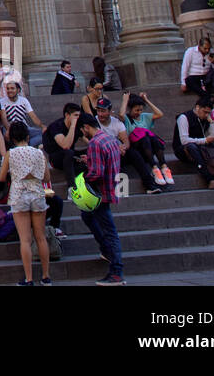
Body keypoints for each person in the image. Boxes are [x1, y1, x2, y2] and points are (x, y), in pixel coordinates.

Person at [0, 121, 53, 285]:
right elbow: (47, 178)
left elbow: (2, 177)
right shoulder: (38, 153)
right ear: (28, 136)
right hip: (37, 193)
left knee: (25, 239)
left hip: (19, 195)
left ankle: (29, 279)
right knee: (40, 237)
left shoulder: (11, 154)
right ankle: (45, 276)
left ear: (12, 138)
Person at [77, 112, 126, 284]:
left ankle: (116, 271)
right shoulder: (109, 138)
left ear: (86, 127)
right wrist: (90, 160)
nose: (83, 133)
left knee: (109, 231)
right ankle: (106, 250)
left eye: (83, 130)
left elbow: (96, 173)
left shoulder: (94, 143)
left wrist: (82, 180)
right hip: (110, 188)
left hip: (100, 194)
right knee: (87, 216)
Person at [122, 92, 173, 187]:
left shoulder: (144, 116)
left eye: (141, 110)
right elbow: (121, 115)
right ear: (130, 109)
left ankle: (164, 167)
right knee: (145, 138)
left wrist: (146, 100)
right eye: (136, 110)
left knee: (153, 139)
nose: (139, 113)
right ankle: (154, 168)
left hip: (149, 147)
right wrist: (125, 100)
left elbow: (160, 114)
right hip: (137, 149)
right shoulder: (126, 118)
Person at [43, 103, 87, 190]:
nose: (77, 118)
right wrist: (73, 126)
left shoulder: (78, 125)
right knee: (68, 152)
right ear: (67, 115)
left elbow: (90, 141)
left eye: (79, 115)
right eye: (75, 115)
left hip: (71, 156)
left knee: (89, 151)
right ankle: (71, 187)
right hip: (56, 158)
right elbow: (65, 145)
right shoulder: (56, 126)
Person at [0, 80, 43, 147]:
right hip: (10, 129)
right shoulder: (1, 101)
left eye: (12, 88)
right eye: (8, 88)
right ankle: (26, 146)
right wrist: (8, 130)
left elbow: (33, 116)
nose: (9, 90)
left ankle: (27, 145)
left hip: (24, 128)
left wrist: (42, 126)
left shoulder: (24, 100)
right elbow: (4, 118)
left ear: (18, 90)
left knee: (43, 133)